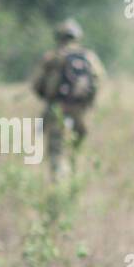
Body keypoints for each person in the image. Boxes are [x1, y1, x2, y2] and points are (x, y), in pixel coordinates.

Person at [30, 18, 104, 179]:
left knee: (57, 150)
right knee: (77, 150)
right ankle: (75, 179)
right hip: (81, 111)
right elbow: (99, 81)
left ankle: (59, 184)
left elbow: (37, 84)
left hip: (57, 108)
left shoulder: (53, 57)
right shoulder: (89, 57)